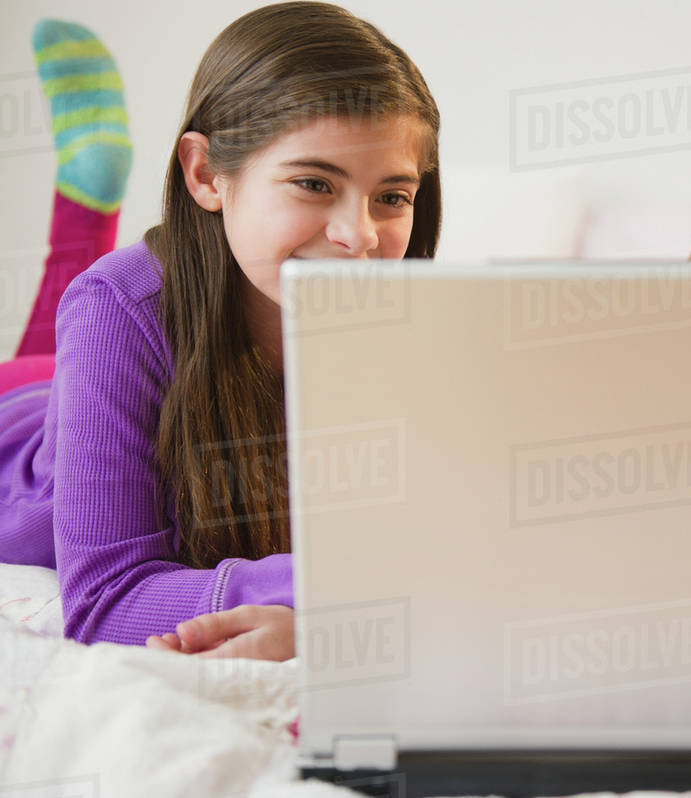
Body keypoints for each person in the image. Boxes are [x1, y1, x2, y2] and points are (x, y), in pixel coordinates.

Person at [0, 2, 442, 661]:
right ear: (206, 175)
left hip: (91, 368)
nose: (362, 237)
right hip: (23, 434)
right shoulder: (115, 311)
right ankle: (86, 200)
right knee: (77, 316)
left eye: (392, 196)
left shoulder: (416, 319)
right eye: (315, 183)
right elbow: (105, 600)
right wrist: (342, 590)